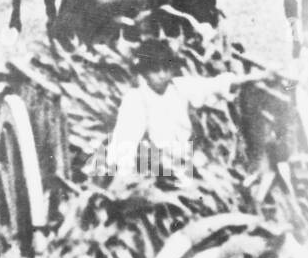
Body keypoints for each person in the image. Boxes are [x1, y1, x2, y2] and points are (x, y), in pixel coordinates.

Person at [108, 38, 257, 184]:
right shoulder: (136, 99)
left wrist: (256, 77)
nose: (162, 75)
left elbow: (215, 85)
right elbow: (125, 141)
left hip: (184, 159)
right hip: (154, 167)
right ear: (144, 72)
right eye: (155, 70)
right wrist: (124, 177)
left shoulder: (179, 87)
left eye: (166, 69)